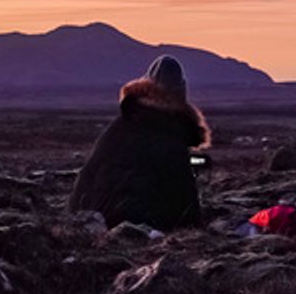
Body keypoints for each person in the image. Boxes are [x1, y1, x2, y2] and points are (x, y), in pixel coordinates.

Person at [67, 55, 210, 231]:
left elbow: (86, 179)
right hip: (144, 226)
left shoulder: (118, 129)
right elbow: (185, 205)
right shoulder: (171, 139)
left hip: (97, 222)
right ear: (181, 94)